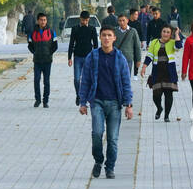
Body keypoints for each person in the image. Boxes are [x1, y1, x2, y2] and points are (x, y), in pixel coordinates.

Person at [78, 26, 134, 178]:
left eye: (109, 35)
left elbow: (126, 82)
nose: (106, 38)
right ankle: (98, 160)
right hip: (97, 102)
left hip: (115, 103)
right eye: (104, 35)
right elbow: (85, 81)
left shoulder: (119, 58)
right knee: (97, 133)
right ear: (100, 37)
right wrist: (82, 102)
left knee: (113, 139)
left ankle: (110, 167)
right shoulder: (93, 56)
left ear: (114, 38)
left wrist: (129, 105)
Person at [142, 25, 179, 120]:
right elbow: (149, 55)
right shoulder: (154, 42)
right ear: (161, 32)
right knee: (156, 95)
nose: (165, 34)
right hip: (157, 72)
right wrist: (144, 66)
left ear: (171, 34)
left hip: (169, 72)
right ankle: (159, 108)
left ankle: (166, 116)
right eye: (164, 31)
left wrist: (177, 34)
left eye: (168, 32)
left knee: (168, 94)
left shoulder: (172, 42)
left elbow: (179, 46)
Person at [66, 10, 99, 105]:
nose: (84, 22)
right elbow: (71, 43)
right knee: (77, 78)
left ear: (88, 19)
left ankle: (88, 95)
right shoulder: (75, 29)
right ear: (80, 19)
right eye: (83, 20)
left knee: (89, 78)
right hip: (77, 56)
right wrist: (69, 58)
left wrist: (95, 56)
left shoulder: (92, 29)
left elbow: (96, 44)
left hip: (89, 57)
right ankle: (79, 95)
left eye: (86, 20)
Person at [27, 11, 59, 108]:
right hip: (37, 61)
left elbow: (55, 46)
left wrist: (49, 53)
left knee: (46, 81)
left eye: (44, 20)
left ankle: (46, 101)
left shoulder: (51, 31)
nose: (43, 22)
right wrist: (35, 52)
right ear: (38, 21)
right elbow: (30, 45)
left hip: (47, 61)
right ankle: (37, 99)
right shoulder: (32, 32)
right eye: (41, 20)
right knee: (36, 80)